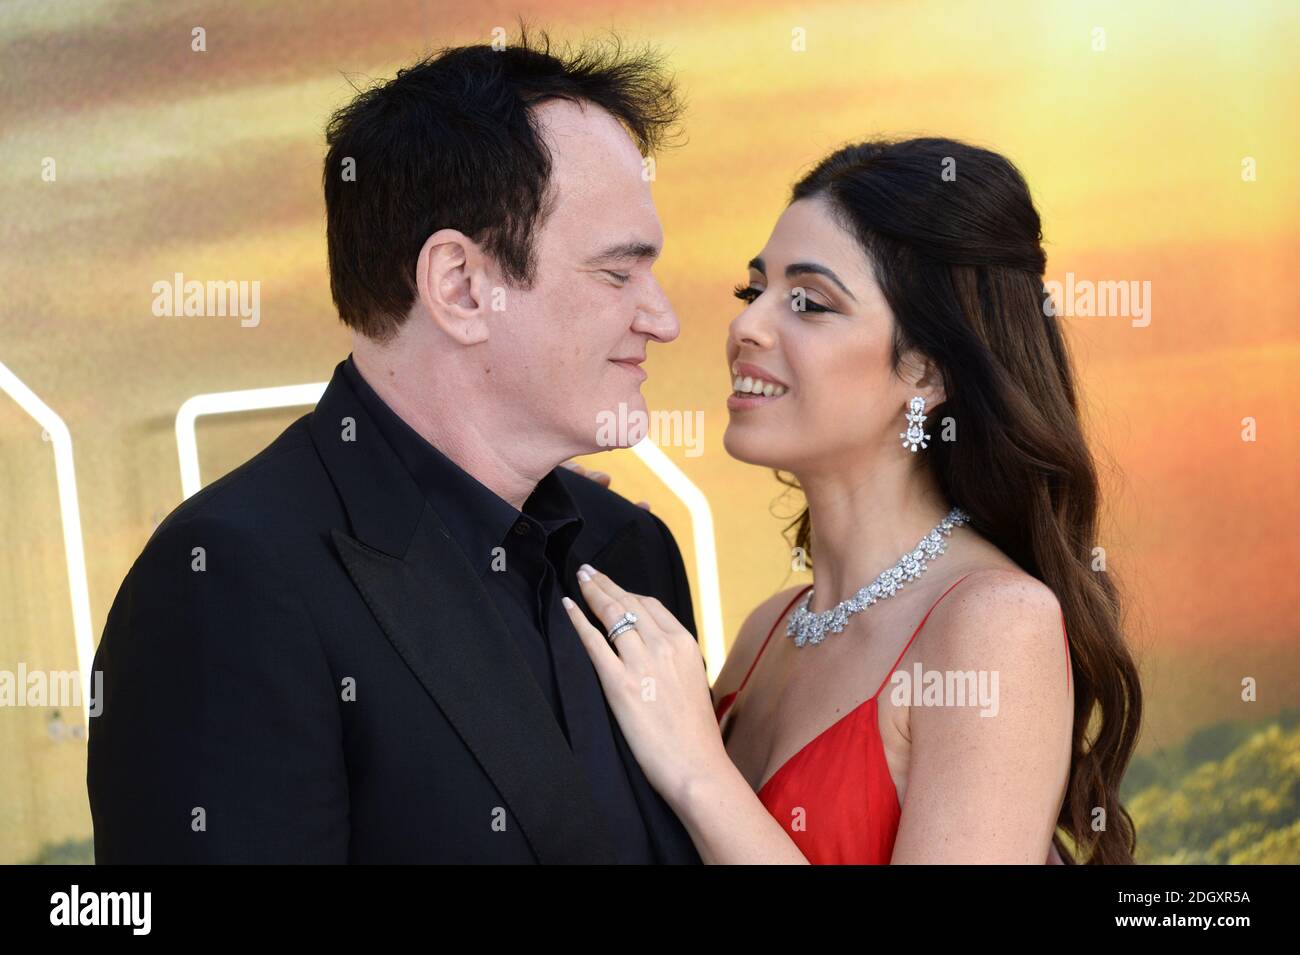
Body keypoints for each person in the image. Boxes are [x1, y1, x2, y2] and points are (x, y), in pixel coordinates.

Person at [87, 29, 702, 863]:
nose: (662, 319)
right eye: (616, 274)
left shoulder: (632, 550)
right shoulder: (229, 585)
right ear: (458, 286)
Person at [562, 138, 1144, 864]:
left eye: (809, 301)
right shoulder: (765, 634)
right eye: (754, 291)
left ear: (926, 370)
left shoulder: (994, 624)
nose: (747, 326)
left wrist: (698, 773)